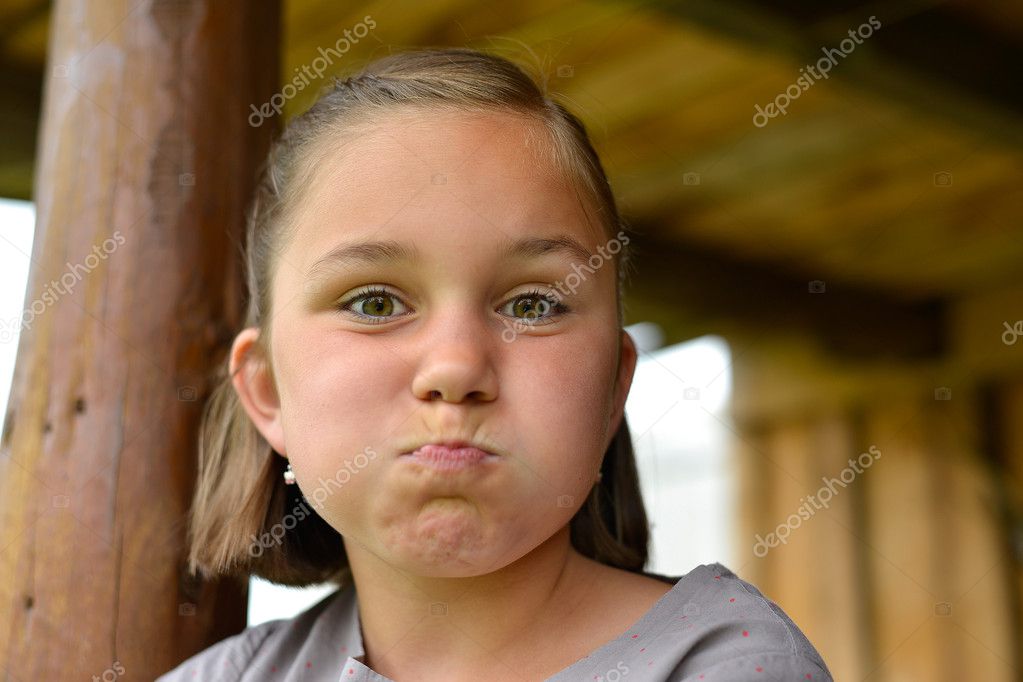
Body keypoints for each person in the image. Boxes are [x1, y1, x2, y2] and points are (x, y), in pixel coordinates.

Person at [157, 46, 833, 682]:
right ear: (269, 392)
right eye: (372, 301)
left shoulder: (725, 665)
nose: (455, 367)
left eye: (533, 305)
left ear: (611, 389)